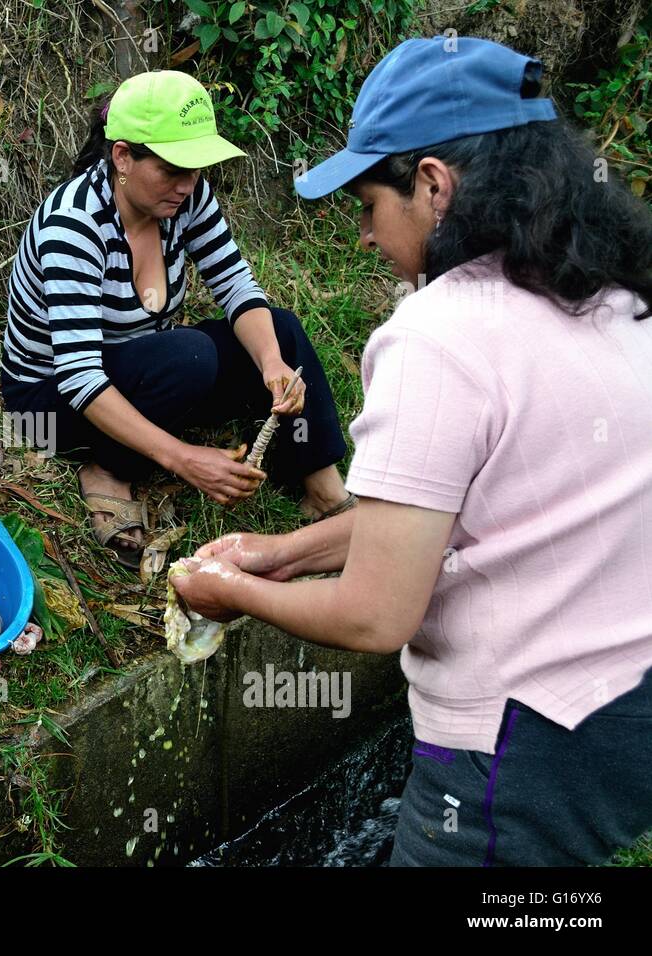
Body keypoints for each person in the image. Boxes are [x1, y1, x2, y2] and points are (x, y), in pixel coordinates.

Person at [170, 37, 652, 865]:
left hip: (513, 746)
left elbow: (375, 611)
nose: (361, 233)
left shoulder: (437, 337)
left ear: (433, 185)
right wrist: (280, 553)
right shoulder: (614, 295)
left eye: (367, 203)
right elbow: (452, 508)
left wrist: (232, 590)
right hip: (624, 712)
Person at [0, 70, 354, 568]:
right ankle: (107, 470)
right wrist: (183, 459)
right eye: (173, 169)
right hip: (50, 403)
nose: (188, 185)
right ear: (123, 156)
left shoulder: (185, 199)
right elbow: (78, 375)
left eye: (196, 171)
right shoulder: (75, 225)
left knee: (280, 329)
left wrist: (272, 365)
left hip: (146, 372)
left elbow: (235, 286)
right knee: (188, 357)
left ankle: (323, 491)